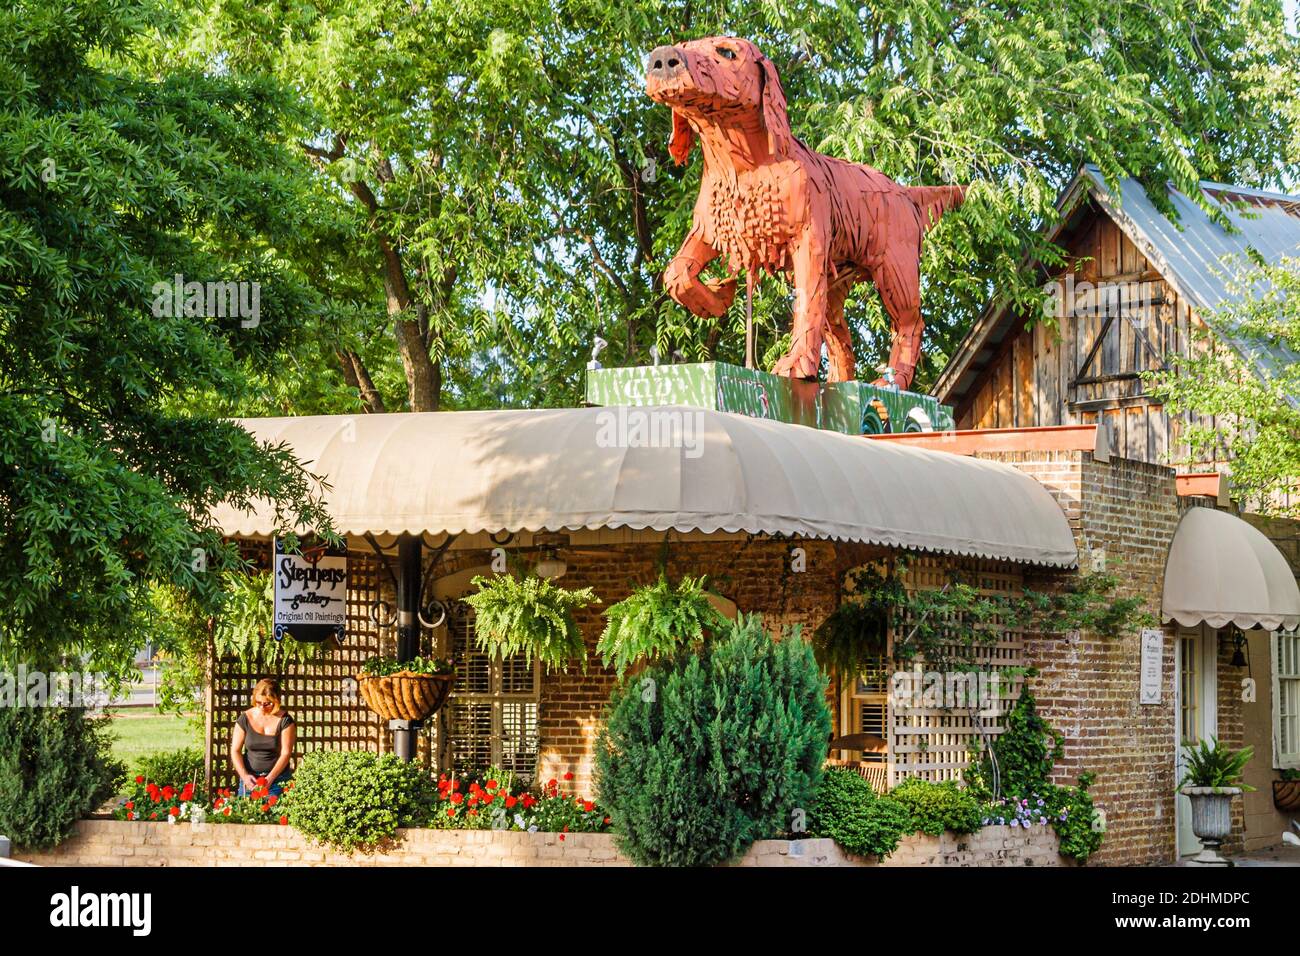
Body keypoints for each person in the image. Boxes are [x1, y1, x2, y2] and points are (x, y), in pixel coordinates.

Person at [231, 678, 296, 797]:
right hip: (250, 781)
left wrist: (270, 778)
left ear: (276, 700)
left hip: (277, 780)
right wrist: (245, 776)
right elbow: (235, 751)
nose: (262, 707)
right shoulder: (244, 719)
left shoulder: (285, 721)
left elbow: (286, 753)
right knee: (245, 814)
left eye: (267, 703)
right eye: (258, 702)